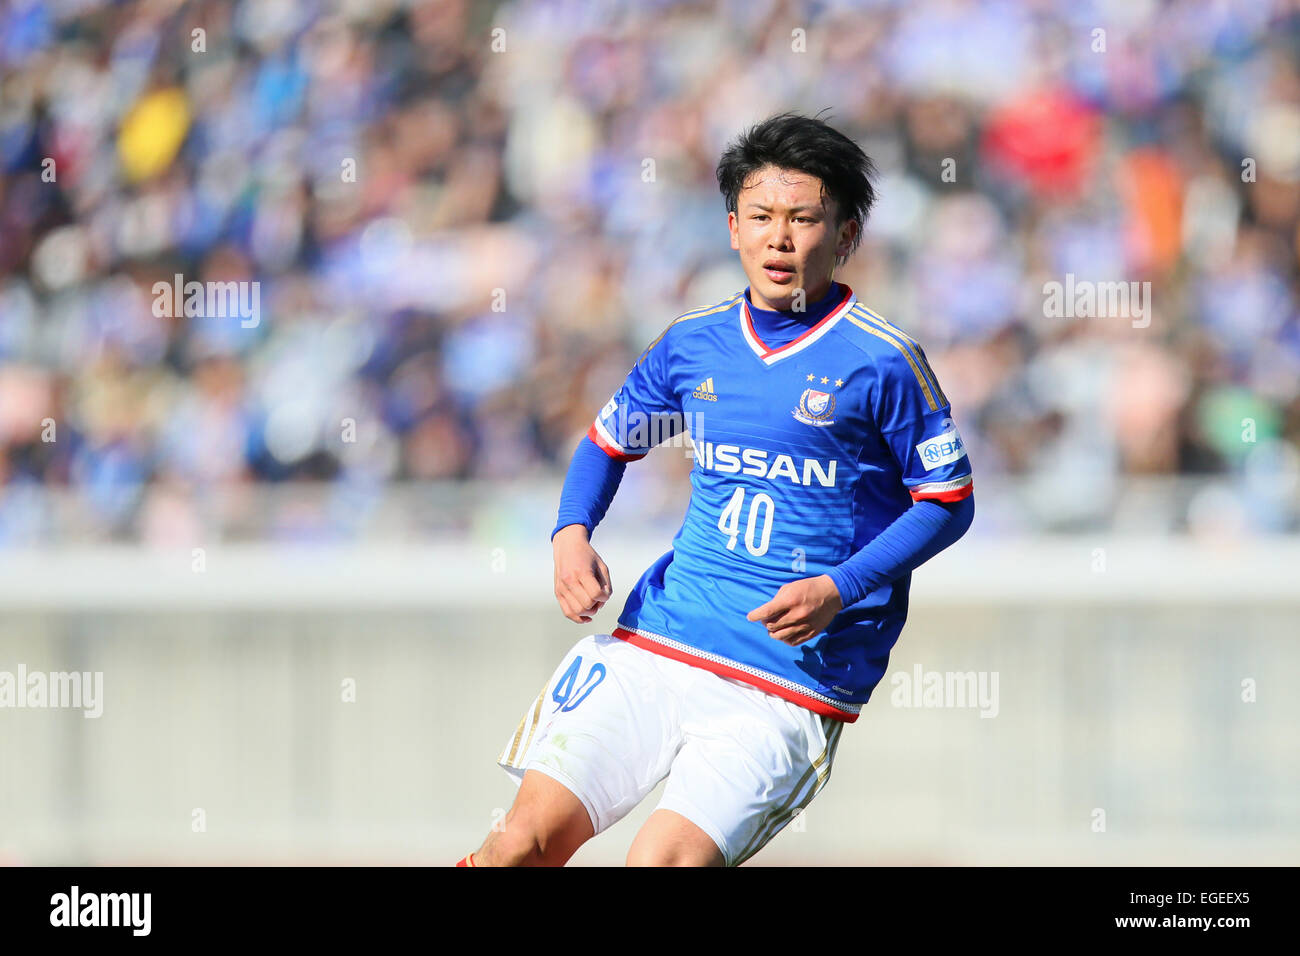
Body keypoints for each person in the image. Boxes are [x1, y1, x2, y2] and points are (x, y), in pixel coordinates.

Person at [457, 112, 974, 867]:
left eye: (804, 219)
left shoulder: (883, 361)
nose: (781, 238)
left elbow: (948, 503)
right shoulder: (693, 343)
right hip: (661, 638)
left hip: (786, 681)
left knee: (662, 864)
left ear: (847, 233)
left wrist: (841, 586)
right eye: (762, 217)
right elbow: (609, 443)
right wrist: (572, 533)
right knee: (520, 845)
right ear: (733, 227)